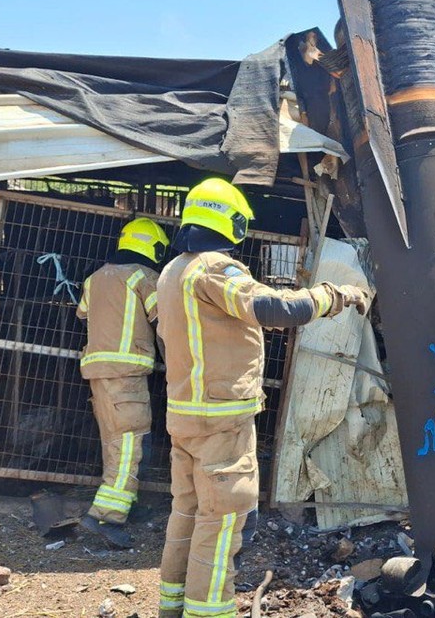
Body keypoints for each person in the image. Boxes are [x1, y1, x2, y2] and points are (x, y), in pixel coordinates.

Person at [155, 178, 370, 618]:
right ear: (231, 222)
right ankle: (208, 613)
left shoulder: (173, 271)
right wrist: (336, 294)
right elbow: (276, 309)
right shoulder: (215, 269)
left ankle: (171, 607)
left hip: (186, 414)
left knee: (188, 512)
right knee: (222, 519)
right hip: (221, 419)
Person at [76, 217, 170, 549]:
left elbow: (83, 315)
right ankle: (105, 517)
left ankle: (125, 504)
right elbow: (164, 324)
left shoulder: (95, 278)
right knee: (130, 446)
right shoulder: (144, 278)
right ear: (154, 247)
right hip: (126, 376)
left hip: (98, 375)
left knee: (114, 444)